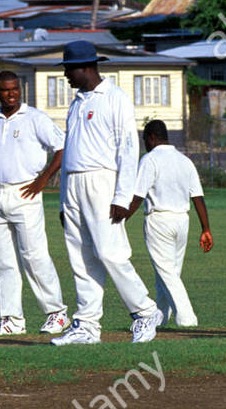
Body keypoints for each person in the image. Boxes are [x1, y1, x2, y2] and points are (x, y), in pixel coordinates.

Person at [52, 40, 162, 345]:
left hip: (102, 182)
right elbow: (70, 151)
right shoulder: (76, 102)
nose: (66, 75)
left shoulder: (115, 98)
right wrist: (63, 200)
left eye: (69, 69)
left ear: (86, 67)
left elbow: (127, 150)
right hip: (73, 184)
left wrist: (121, 197)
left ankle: (145, 311)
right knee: (81, 256)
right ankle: (86, 325)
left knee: (109, 252)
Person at [0, 70, 69, 337]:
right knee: (1, 260)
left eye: (15, 89)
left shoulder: (35, 118)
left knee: (34, 256)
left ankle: (57, 314)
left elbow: (62, 147)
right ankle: (11, 319)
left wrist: (44, 180)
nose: (11, 94)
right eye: (5, 90)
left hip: (26, 193)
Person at [126, 120, 213, 329]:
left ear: (151, 138)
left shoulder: (149, 159)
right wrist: (205, 229)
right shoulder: (185, 161)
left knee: (167, 273)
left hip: (159, 220)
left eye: (144, 140)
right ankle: (160, 317)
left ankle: (187, 319)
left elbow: (137, 196)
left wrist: (120, 221)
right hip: (183, 220)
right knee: (168, 272)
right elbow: (198, 197)